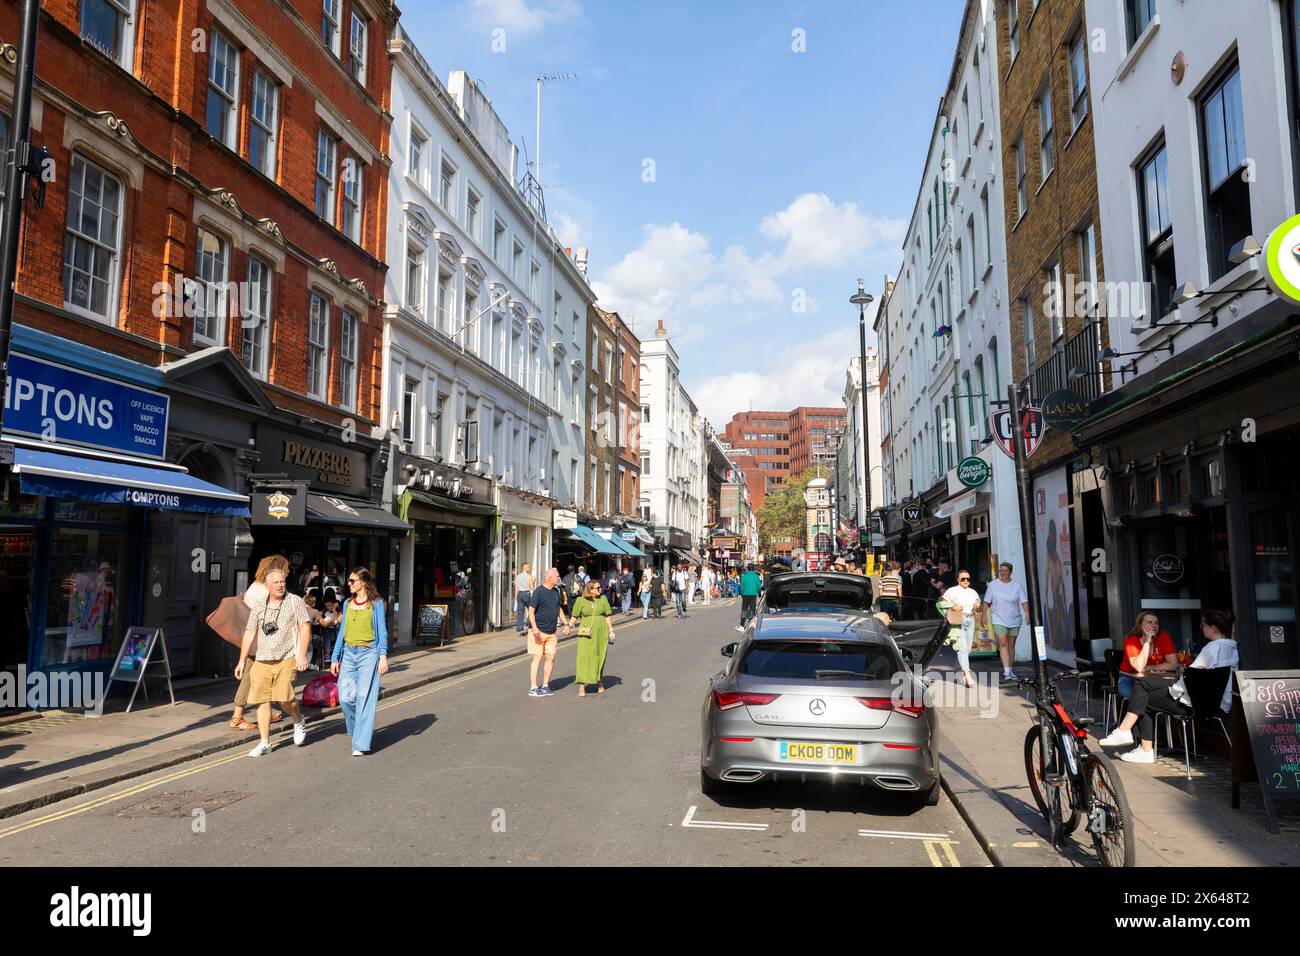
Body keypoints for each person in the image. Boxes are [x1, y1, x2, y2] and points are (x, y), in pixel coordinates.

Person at [1100, 609, 1239, 763]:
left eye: (1203, 625)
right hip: (1215, 703)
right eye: (1149, 622)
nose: (1202, 628)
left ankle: (1140, 746)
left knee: (1142, 697)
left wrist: (1173, 690)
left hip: (1196, 703)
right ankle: (1126, 732)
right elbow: (1196, 678)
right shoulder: (1232, 649)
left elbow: (1191, 679)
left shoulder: (1212, 648)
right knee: (1143, 685)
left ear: (1213, 628)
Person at [236, 568, 311, 757]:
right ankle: (264, 742)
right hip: (262, 660)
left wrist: (301, 655)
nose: (280, 585)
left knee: (285, 699)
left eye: (282, 581)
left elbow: (304, 627)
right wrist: (241, 660)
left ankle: (298, 719)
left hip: (286, 658)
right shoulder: (260, 605)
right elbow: (250, 632)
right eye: (276, 582)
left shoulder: (295, 602)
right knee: (262, 701)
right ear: (268, 586)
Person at [329, 567, 389, 755]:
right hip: (348, 652)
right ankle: (359, 730)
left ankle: (361, 744)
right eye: (348, 581)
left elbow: (382, 631)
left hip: (369, 653)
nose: (349, 584)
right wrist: (334, 657)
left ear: (363, 582)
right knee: (345, 697)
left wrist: (383, 656)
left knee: (364, 697)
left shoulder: (376, 604)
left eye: (352, 581)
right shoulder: (347, 603)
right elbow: (343, 630)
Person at [230, 555, 292, 731]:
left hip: (255, 639)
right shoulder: (265, 591)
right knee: (250, 677)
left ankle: (266, 709)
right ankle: (237, 717)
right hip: (261, 642)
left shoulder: (254, 587)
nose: (285, 575)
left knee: (261, 677)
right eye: (284, 571)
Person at [526, 567, 572, 697]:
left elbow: (558, 609)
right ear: (550, 577)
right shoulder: (538, 592)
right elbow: (531, 611)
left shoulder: (556, 592)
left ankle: (545, 685)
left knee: (551, 657)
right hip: (538, 631)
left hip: (552, 632)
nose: (559, 578)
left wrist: (566, 624)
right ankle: (533, 687)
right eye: (557, 576)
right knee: (537, 657)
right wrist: (534, 628)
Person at [983, 562, 1030, 683]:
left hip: (1014, 618)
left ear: (1010, 572)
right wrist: (984, 616)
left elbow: (1024, 602)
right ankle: (1007, 672)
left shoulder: (1017, 586)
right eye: (1001, 571)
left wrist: (1028, 614)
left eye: (1005, 571)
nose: (1002, 573)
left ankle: (1010, 669)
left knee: (1011, 645)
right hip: (998, 618)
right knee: (1003, 643)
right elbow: (986, 602)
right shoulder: (993, 585)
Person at [1116, 612, 1178, 700]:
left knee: (1168, 697)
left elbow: (1174, 664)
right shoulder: (1132, 640)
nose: (1154, 625)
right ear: (1140, 625)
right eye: (1150, 622)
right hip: (1130, 679)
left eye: (1156, 622)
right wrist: (1148, 642)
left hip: (1155, 679)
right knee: (1141, 699)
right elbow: (1139, 668)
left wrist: (1149, 668)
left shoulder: (1163, 637)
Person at [572, 579, 615, 696]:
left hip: (601, 631)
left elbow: (607, 616)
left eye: (600, 587)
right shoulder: (580, 600)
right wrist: (568, 626)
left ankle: (599, 681)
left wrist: (611, 630)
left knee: (599, 656)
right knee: (584, 657)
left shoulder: (603, 599)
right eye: (598, 588)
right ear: (590, 589)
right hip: (586, 632)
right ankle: (582, 685)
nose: (600, 589)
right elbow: (574, 616)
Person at [940, 570, 981, 689]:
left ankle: (961, 671)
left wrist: (977, 606)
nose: (966, 581)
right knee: (962, 649)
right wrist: (954, 608)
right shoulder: (951, 591)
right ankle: (968, 676)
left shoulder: (973, 592)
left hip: (970, 619)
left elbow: (978, 606)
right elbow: (942, 604)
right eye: (963, 579)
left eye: (968, 578)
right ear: (958, 579)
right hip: (958, 620)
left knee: (967, 649)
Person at [736, 563, 763, 632]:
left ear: (747, 569)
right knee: (752, 609)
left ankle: (742, 626)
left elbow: (741, 587)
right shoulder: (756, 576)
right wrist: (759, 593)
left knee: (744, 609)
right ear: (753, 569)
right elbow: (759, 586)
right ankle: (751, 624)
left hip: (745, 594)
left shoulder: (744, 576)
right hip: (753, 594)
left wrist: (741, 594)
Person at [514, 563, 534, 635]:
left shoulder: (518, 576)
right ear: (524, 567)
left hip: (520, 594)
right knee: (531, 611)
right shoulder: (529, 576)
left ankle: (520, 629)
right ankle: (529, 626)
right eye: (528, 567)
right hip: (527, 594)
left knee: (520, 612)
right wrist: (533, 582)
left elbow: (516, 587)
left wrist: (516, 597)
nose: (530, 568)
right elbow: (532, 587)